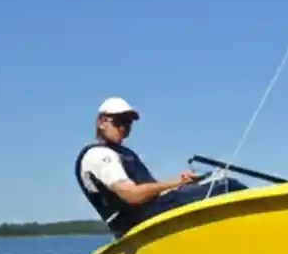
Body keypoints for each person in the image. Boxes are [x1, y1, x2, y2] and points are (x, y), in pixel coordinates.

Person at [75, 97, 247, 237]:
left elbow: (153, 193)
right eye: (119, 122)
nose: (124, 128)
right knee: (227, 186)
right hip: (139, 224)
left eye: (128, 123)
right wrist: (175, 182)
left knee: (217, 186)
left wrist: (182, 183)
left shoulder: (122, 153)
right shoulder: (99, 156)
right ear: (102, 122)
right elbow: (131, 195)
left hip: (151, 215)